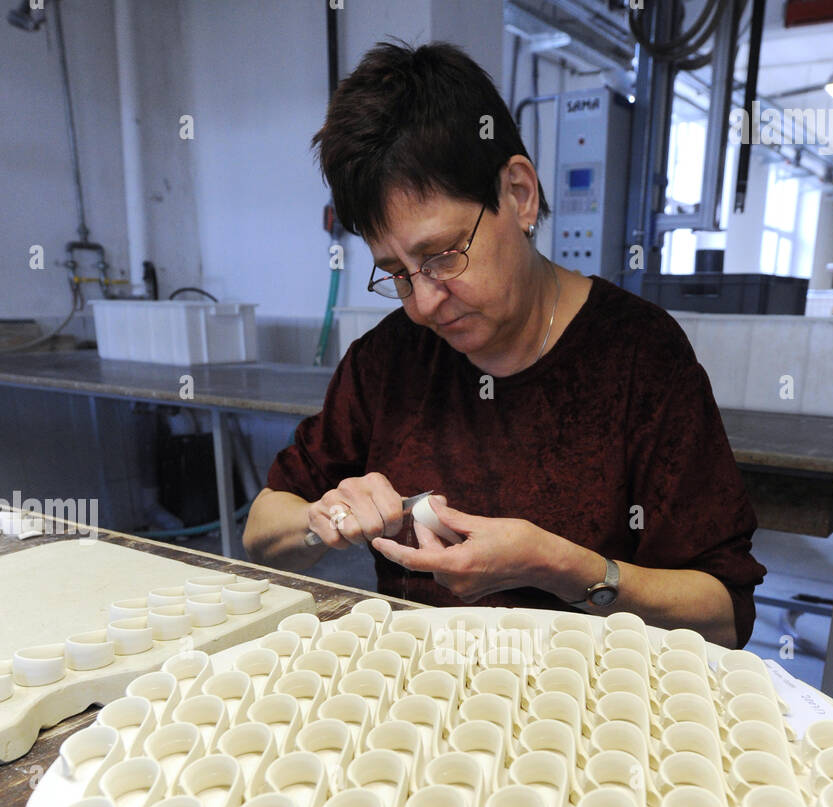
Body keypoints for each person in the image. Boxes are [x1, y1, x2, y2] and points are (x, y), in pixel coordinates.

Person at [243, 39, 766, 648]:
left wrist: (565, 569)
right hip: (418, 695)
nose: (425, 303)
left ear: (519, 194)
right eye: (396, 272)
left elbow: (725, 615)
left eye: (441, 256)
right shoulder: (387, 362)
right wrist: (322, 519)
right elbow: (261, 526)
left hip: (591, 703)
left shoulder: (639, 357)